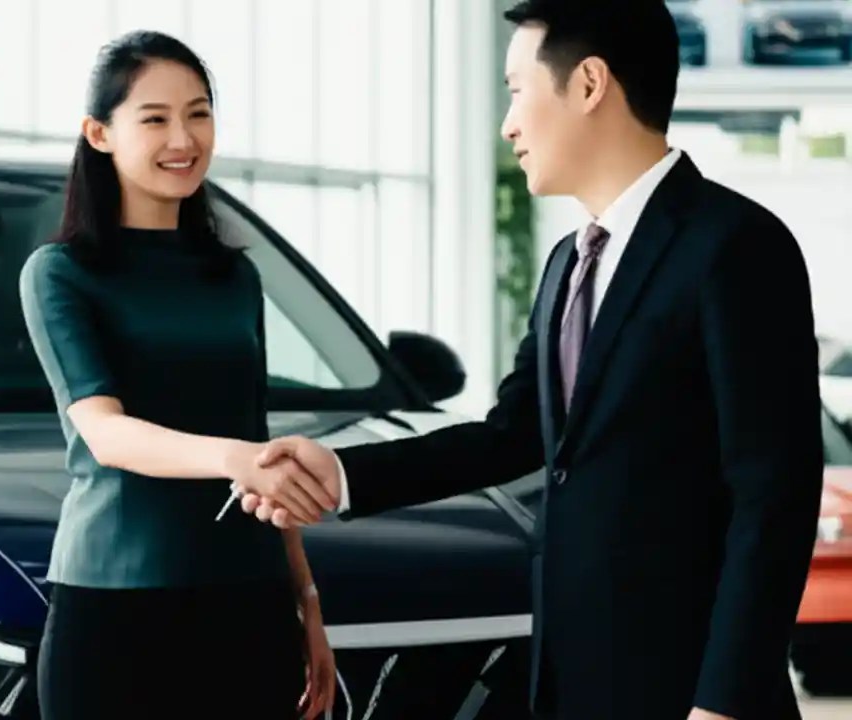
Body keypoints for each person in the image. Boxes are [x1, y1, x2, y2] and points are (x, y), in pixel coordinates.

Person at [240, 2, 823, 719]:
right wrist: (343, 472)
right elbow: (511, 435)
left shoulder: (735, 246)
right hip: (574, 678)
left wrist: (724, 702)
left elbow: (774, 496)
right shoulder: (565, 265)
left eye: (517, 89)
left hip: (689, 689)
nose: (508, 122)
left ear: (588, 84)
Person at [18, 30, 338, 720]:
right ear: (99, 135)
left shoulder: (234, 275)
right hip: (115, 604)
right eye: (155, 118)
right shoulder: (60, 274)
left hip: (247, 602)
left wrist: (305, 602)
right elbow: (106, 434)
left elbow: (260, 441)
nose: (183, 138)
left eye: (198, 113)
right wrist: (238, 459)